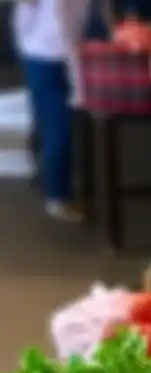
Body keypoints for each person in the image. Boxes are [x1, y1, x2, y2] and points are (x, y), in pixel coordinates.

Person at [13, 0, 98, 221]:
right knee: (58, 126)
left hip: (45, 48)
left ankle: (51, 181)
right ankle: (57, 194)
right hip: (48, 51)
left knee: (50, 122)